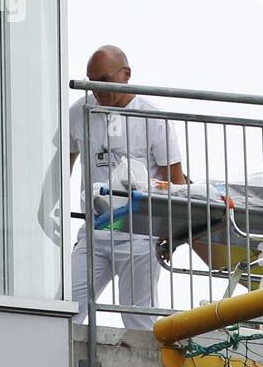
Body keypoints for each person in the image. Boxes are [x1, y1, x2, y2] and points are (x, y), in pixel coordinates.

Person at [68, 45, 188, 330]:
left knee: (138, 319)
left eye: (104, 80)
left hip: (140, 236)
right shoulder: (79, 111)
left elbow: (177, 182)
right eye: (91, 80)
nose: (97, 89)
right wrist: (48, 206)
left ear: (126, 75)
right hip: (94, 233)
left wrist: (174, 235)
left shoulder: (152, 118)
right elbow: (63, 162)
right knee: (67, 309)